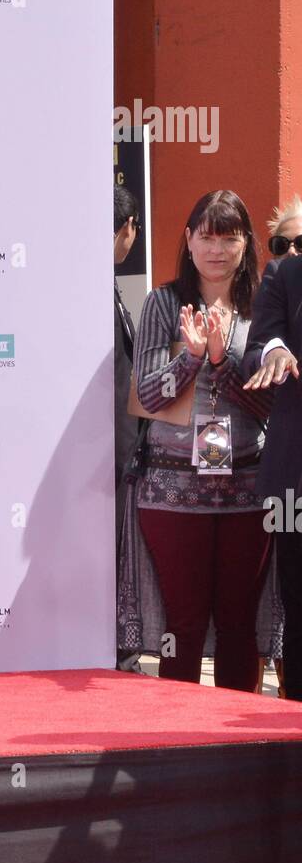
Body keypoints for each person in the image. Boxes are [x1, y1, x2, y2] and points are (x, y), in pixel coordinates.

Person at [117, 190, 280, 688]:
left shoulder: (263, 305)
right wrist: (190, 358)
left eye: (228, 238)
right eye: (206, 237)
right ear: (188, 241)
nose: (216, 250)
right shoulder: (164, 303)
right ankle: (179, 729)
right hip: (171, 492)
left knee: (239, 624)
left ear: (246, 244)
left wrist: (220, 360)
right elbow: (148, 395)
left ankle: (233, 731)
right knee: (182, 625)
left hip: (248, 491)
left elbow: (270, 406)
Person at [242, 224, 302, 700]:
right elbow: (260, 346)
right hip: (295, 483)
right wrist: (276, 350)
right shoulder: (284, 275)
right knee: (299, 607)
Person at [113, 185, 143, 672]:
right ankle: (121, 657)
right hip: (107, 458)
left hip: (119, 455)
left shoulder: (108, 288)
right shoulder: (88, 289)